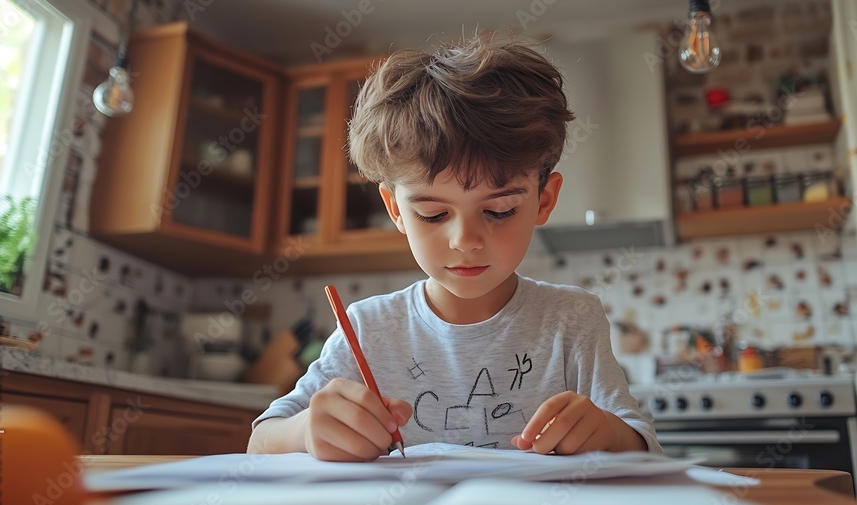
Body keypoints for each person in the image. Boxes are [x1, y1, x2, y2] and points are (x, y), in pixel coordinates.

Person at [248, 34, 661, 461]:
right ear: (395, 209)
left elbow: (643, 447)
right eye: (432, 214)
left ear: (544, 200)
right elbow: (260, 442)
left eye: (499, 210)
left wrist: (610, 434)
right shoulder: (367, 329)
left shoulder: (572, 320)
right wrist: (304, 431)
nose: (465, 240)